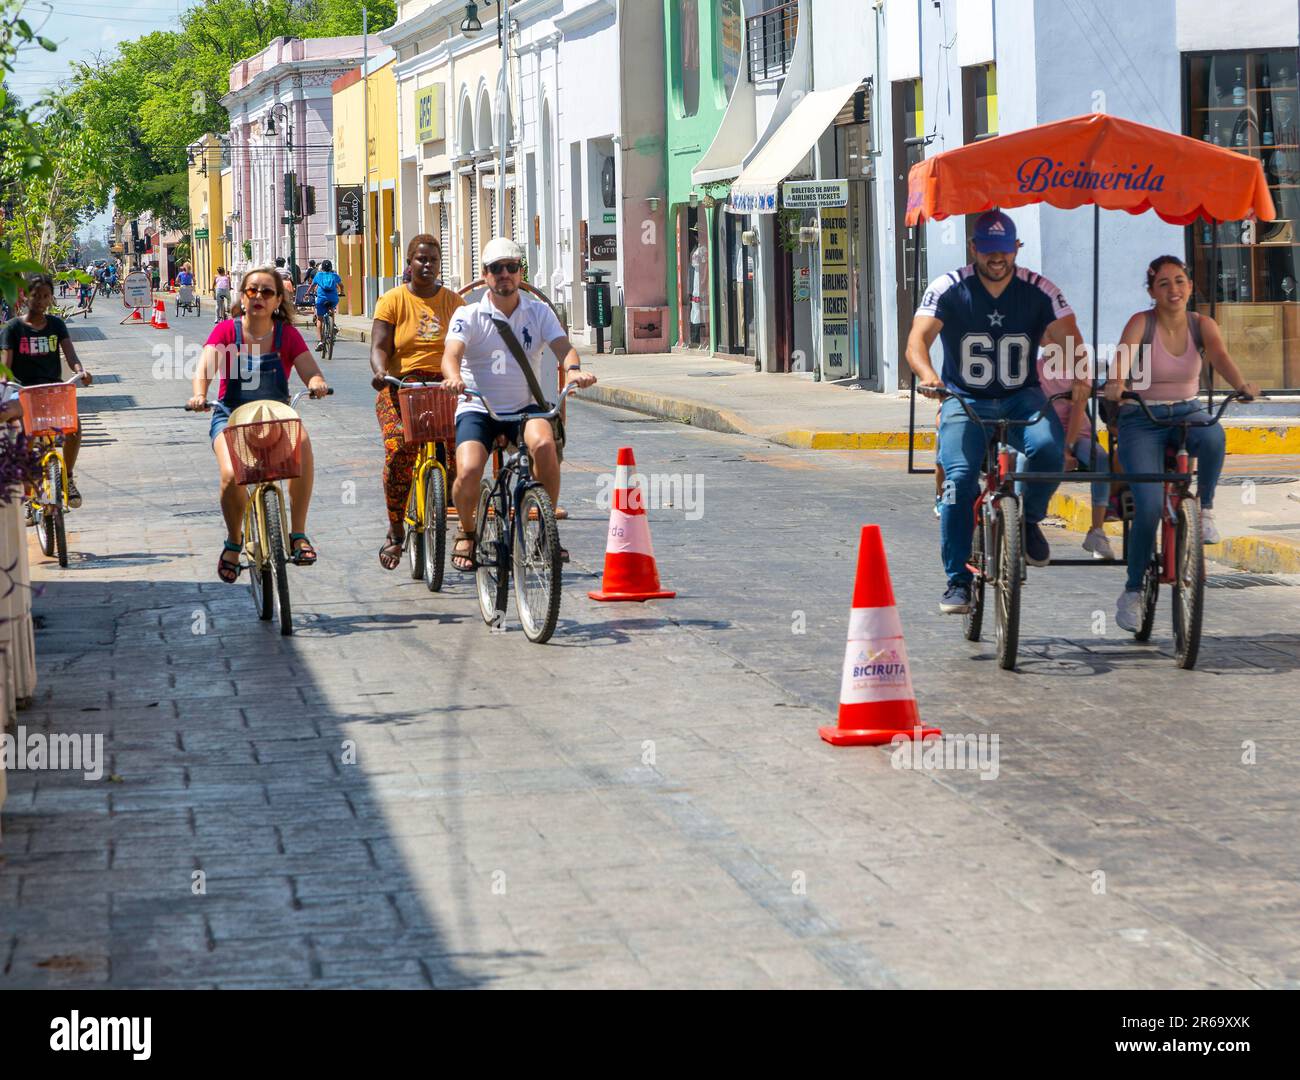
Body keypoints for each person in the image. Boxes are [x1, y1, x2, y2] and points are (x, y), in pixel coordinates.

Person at [906, 209, 1087, 614]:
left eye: (1004, 249)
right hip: (964, 399)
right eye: (988, 249)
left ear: (1016, 248)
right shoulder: (949, 287)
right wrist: (928, 375)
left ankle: (1029, 519)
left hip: (1021, 396)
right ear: (974, 248)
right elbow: (917, 340)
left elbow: (1069, 337)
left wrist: (1080, 373)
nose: (997, 258)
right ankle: (958, 581)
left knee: (1049, 449)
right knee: (958, 482)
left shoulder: (1040, 289)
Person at [1107, 255, 1259, 632]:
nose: (1173, 289)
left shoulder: (1201, 324)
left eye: (1179, 281)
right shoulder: (1141, 323)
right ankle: (1132, 591)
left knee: (1214, 434)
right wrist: (1117, 383)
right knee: (1148, 508)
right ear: (1151, 291)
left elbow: (1220, 356)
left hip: (1187, 412)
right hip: (1141, 417)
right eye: (1164, 283)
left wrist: (1242, 385)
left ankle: (1204, 510)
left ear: (1190, 286)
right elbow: (1122, 361)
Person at [441, 237, 598, 571]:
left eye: (511, 267)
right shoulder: (468, 314)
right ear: (484, 274)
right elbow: (451, 355)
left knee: (545, 446)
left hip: (524, 407)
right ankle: (466, 531)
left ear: (520, 272)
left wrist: (573, 371)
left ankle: (545, 531)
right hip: (478, 407)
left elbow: (563, 348)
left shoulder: (537, 311)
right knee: (468, 470)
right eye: (496, 268)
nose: (505, 274)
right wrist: (453, 378)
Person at [188, 266, 330, 581]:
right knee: (230, 475)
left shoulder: (287, 335)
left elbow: (311, 371)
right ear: (242, 296)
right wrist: (199, 395)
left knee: (303, 444)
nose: (259, 297)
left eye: (267, 292)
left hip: (275, 415)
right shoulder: (227, 332)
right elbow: (205, 368)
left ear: (278, 300)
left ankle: (298, 534)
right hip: (231, 415)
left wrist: (316, 383)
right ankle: (233, 541)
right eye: (252, 290)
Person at [368, 236, 465, 570]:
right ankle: (396, 528)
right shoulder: (392, 300)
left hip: (444, 387)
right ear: (409, 262)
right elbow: (379, 346)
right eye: (421, 259)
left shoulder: (454, 303)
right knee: (399, 451)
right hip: (401, 387)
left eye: (433, 260)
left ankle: (461, 522)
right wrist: (381, 372)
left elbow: (468, 346)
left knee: (463, 450)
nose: (427, 265)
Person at [0, 274, 94, 506]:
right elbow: (6, 367)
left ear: (51, 298)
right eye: (36, 296)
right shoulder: (13, 328)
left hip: (53, 391)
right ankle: (28, 493)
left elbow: (71, 356)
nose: (41, 301)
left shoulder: (56, 325)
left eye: (46, 296)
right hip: (23, 393)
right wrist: (3, 384)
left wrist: (81, 372)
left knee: (74, 426)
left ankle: (68, 477)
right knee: (26, 436)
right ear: (25, 297)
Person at [1024, 350, 1116, 560]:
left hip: (1077, 433)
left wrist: (1067, 448)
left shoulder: (1078, 368)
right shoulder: (1034, 369)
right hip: (1045, 432)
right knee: (1023, 459)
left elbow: (1078, 409)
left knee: (1101, 458)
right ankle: (1023, 524)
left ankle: (1097, 531)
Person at [309, 259, 345, 354]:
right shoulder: (334, 275)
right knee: (332, 307)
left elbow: (312, 286)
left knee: (319, 319)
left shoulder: (318, 275)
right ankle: (333, 325)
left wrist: (307, 293)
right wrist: (342, 292)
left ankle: (320, 341)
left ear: (322, 268)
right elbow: (341, 285)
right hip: (333, 298)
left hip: (321, 299)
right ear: (331, 267)